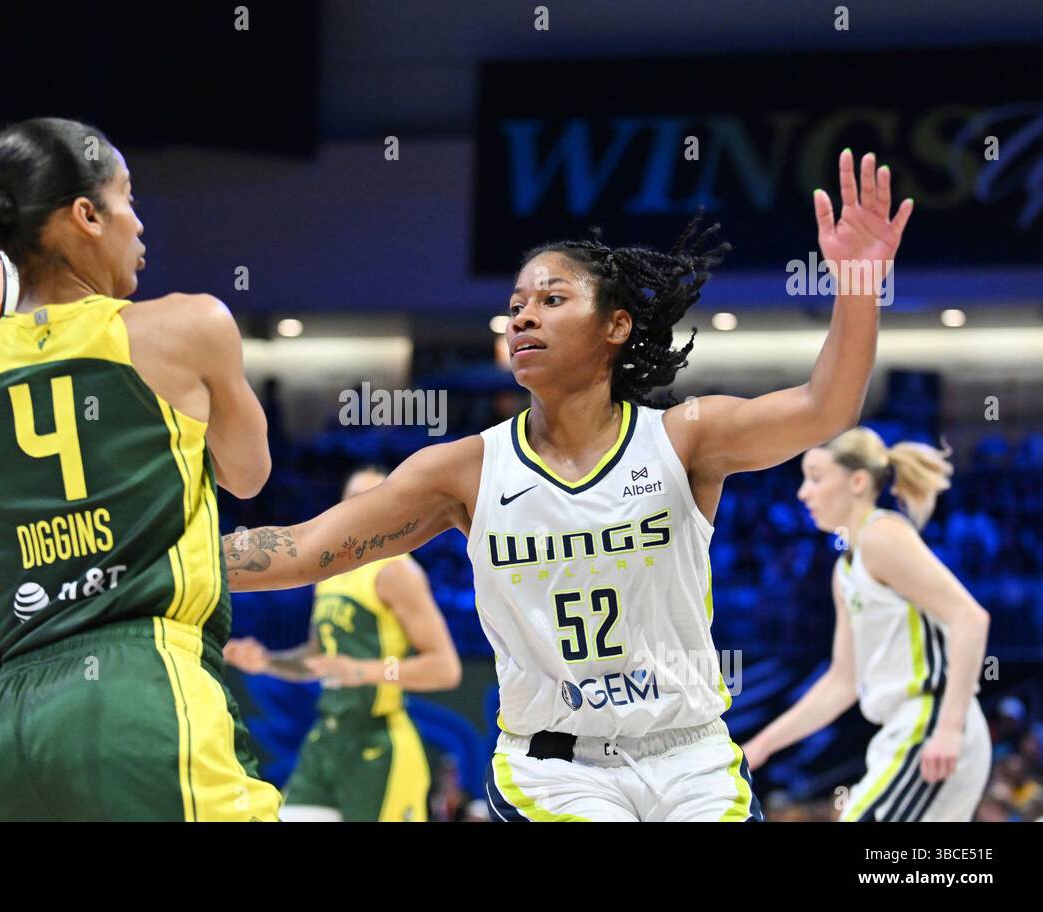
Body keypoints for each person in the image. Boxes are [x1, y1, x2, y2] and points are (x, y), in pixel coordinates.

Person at [224, 150, 914, 821]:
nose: (523, 316)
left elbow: (825, 407)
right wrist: (148, 556)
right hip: (554, 770)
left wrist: (857, 285)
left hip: (693, 757)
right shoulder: (466, 469)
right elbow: (304, 547)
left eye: (552, 299)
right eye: (516, 304)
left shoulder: (683, 439)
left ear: (616, 326)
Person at [0, 117, 279, 821]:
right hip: (148, 697)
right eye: (128, 199)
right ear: (87, 215)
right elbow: (248, 473)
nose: (140, 225)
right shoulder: (191, 326)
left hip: (9, 731)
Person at [743, 428, 991, 821]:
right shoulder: (846, 568)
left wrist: (948, 727)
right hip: (908, 728)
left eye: (816, 477)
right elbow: (843, 681)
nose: (802, 492)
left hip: (930, 722)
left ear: (857, 481)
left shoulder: (882, 534)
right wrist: (762, 745)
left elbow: (970, 618)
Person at [225, 466, 461, 821]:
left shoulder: (397, 571)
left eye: (374, 500)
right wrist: (267, 662)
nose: (363, 510)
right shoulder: (330, 576)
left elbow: (444, 667)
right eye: (354, 501)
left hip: (378, 742)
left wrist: (363, 670)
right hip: (327, 738)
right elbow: (318, 659)